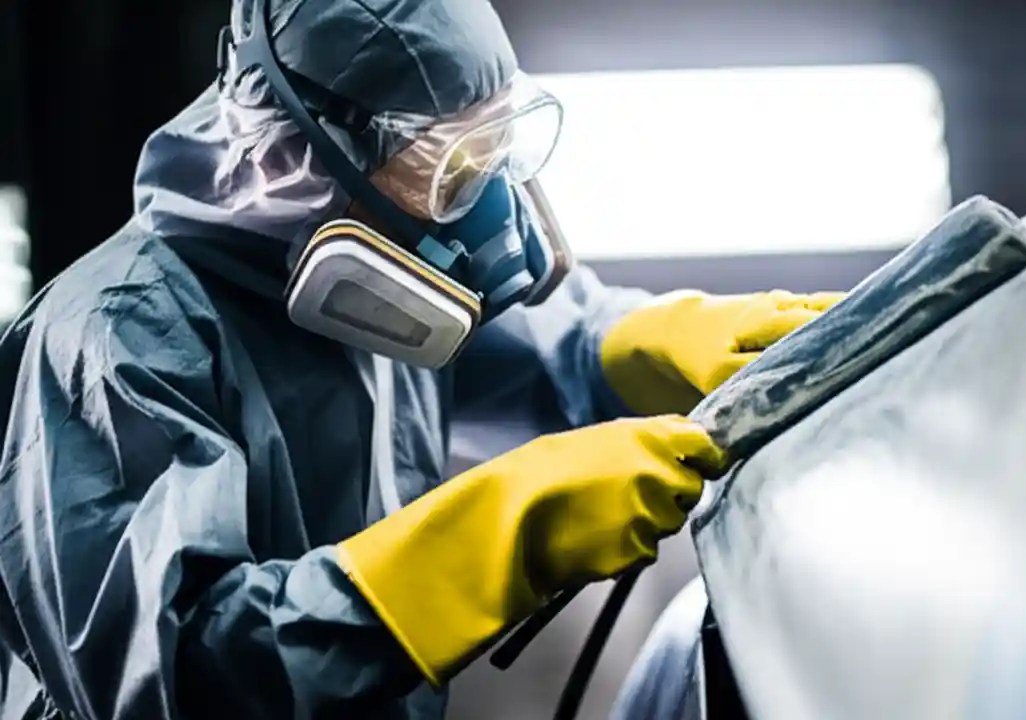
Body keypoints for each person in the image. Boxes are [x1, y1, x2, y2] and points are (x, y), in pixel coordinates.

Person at [0, 0, 840, 717]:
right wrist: (489, 543)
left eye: (496, 147)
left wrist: (633, 344)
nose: (486, 207)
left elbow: (536, 347)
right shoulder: (117, 340)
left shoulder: (366, 294)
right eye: (452, 170)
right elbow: (174, 678)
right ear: (303, 156)